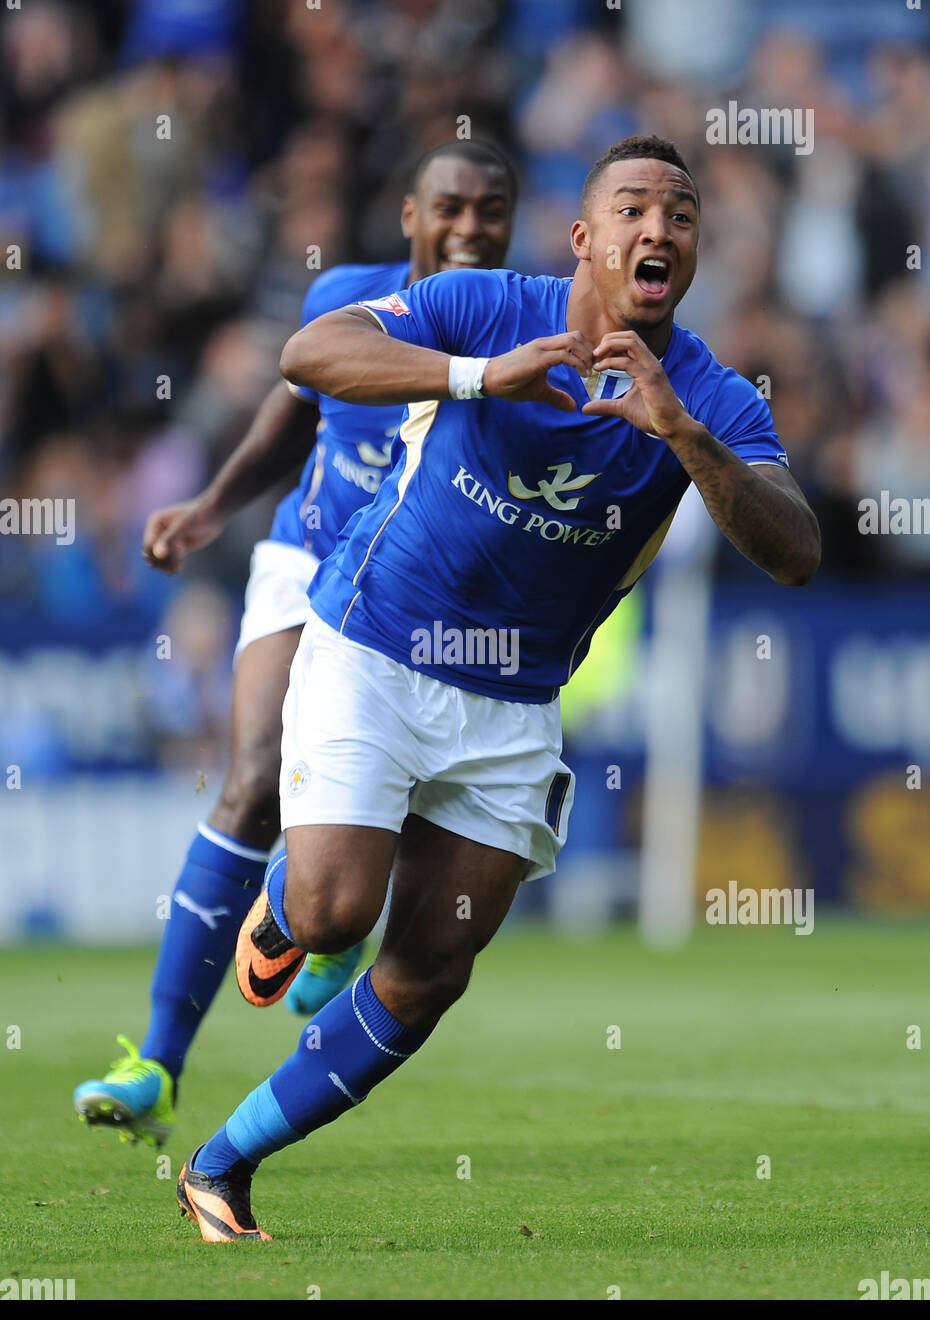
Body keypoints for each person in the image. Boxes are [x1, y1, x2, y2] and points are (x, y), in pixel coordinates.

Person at [175, 134, 820, 1240]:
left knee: (429, 970)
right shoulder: (483, 305)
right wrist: (482, 376)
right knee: (340, 908)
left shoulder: (707, 392)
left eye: (680, 215)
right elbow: (308, 351)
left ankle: (223, 1162)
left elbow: (797, 549)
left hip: (512, 708)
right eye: (632, 209)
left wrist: (683, 436)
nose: (657, 230)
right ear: (584, 236)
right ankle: (290, 907)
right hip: (372, 646)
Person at [72, 140, 517, 1146]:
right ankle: (155, 1062)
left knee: (377, 824)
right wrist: (210, 505)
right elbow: (291, 408)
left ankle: (319, 922)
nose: (469, 227)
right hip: (309, 560)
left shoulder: (516, 331)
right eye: (449, 205)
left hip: (419, 601)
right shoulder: (353, 298)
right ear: (408, 213)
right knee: (257, 774)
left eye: (491, 210)